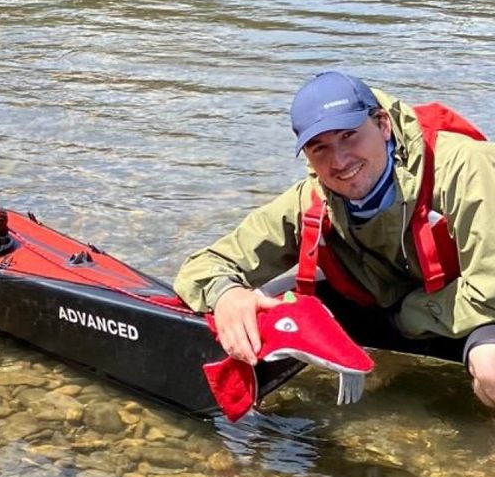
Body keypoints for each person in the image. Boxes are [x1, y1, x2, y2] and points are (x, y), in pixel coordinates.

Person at [173, 71, 495, 408]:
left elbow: (488, 294)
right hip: (394, 308)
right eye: (320, 148)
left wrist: (403, 319)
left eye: (349, 136)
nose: (339, 161)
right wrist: (227, 296)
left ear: (383, 125)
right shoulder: (310, 199)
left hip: (473, 311)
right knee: (258, 301)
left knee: (491, 368)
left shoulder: (469, 168)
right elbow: (205, 265)